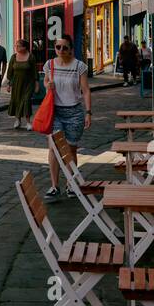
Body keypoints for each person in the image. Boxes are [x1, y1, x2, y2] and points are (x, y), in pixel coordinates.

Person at [43, 36, 91, 200]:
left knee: (71, 149)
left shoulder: (80, 67)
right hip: (55, 112)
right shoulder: (50, 65)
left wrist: (88, 112)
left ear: (71, 49)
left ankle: (71, 183)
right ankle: (54, 186)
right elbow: (46, 81)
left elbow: (85, 90)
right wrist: (47, 85)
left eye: (65, 47)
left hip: (74, 112)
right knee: (54, 148)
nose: (61, 51)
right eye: (58, 47)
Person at [6, 38, 36, 129]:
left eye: (18, 46)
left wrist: (37, 84)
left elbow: (34, 72)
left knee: (26, 100)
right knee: (17, 100)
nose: (16, 47)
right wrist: (9, 84)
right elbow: (10, 72)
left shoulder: (31, 57)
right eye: (16, 45)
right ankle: (17, 120)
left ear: (25, 47)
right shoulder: (14, 57)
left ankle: (28, 122)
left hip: (28, 83)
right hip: (16, 83)